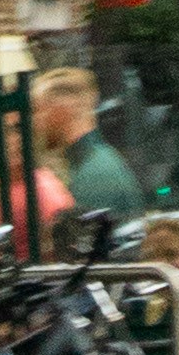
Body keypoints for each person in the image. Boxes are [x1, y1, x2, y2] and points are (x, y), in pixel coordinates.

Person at [39, 63, 148, 234]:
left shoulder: (94, 173)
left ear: (63, 109)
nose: (38, 122)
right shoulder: (97, 162)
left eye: (40, 110)